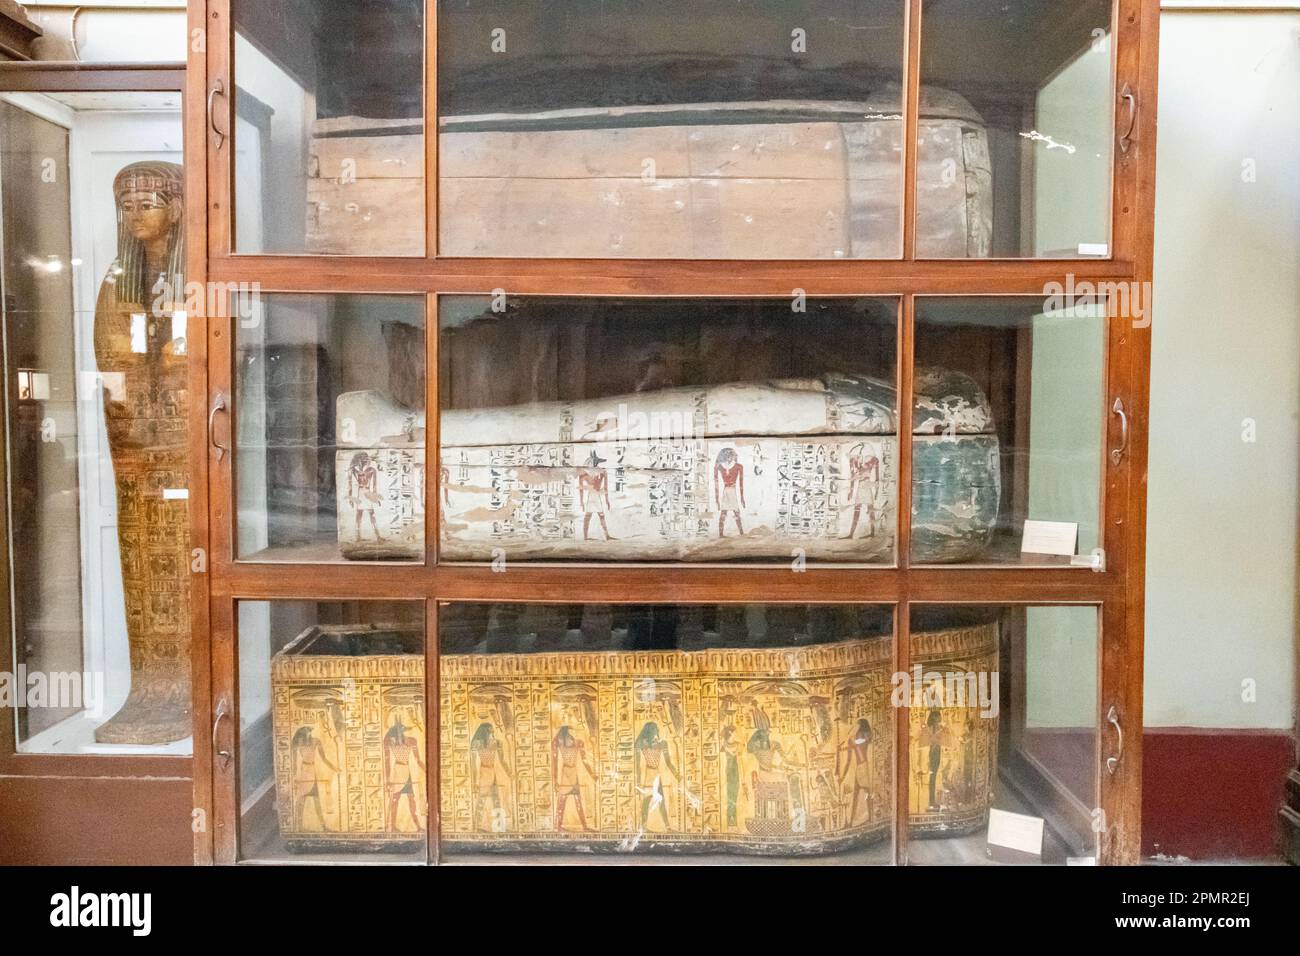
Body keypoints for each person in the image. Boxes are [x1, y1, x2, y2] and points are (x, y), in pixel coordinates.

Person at [292, 724, 339, 831]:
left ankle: (323, 826)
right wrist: (294, 776)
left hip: (311, 772)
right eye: (307, 733)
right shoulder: (300, 743)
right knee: (302, 800)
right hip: (304, 773)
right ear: (303, 734)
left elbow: (324, 758)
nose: (309, 734)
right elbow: (294, 763)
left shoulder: (316, 741)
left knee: (316, 800)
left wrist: (334, 768)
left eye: (310, 732)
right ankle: (299, 827)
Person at [384, 713, 426, 832]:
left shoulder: (411, 741)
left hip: (405, 772)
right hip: (398, 773)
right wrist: (388, 779)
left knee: (411, 799)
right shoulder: (390, 742)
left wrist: (426, 771)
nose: (398, 735)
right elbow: (387, 762)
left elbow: (418, 760)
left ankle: (417, 826)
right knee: (395, 800)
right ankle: (393, 827)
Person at [551, 726, 596, 831]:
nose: (571, 737)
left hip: (573, 773)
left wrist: (592, 774)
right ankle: (558, 826)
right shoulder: (558, 742)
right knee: (562, 801)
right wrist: (555, 781)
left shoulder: (577, 742)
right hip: (566, 774)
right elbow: (554, 763)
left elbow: (584, 760)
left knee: (577, 800)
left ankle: (584, 827)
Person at [347, 451, 386, 543]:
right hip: (364, 493)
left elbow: (374, 486)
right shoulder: (367, 470)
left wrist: (350, 498)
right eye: (364, 459)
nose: (365, 461)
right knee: (367, 514)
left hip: (363, 493)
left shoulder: (356, 470)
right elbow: (350, 486)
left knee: (361, 515)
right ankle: (375, 537)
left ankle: (361, 537)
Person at [578, 450, 614, 541]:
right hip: (593, 495)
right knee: (591, 516)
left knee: (596, 515)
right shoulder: (587, 473)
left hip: (595, 495)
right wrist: (581, 501)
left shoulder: (601, 472)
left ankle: (605, 535)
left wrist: (607, 500)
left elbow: (605, 487)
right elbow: (581, 488)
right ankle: (586, 537)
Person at [714, 447, 745, 536]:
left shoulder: (739, 466)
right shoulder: (719, 466)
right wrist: (717, 500)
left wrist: (742, 497)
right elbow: (716, 483)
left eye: (732, 455)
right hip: (727, 492)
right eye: (729, 456)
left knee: (735, 512)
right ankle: (721, 534)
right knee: (725, 512)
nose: (731, 457)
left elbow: (741, 483)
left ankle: (741, 533)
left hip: (731, 491)